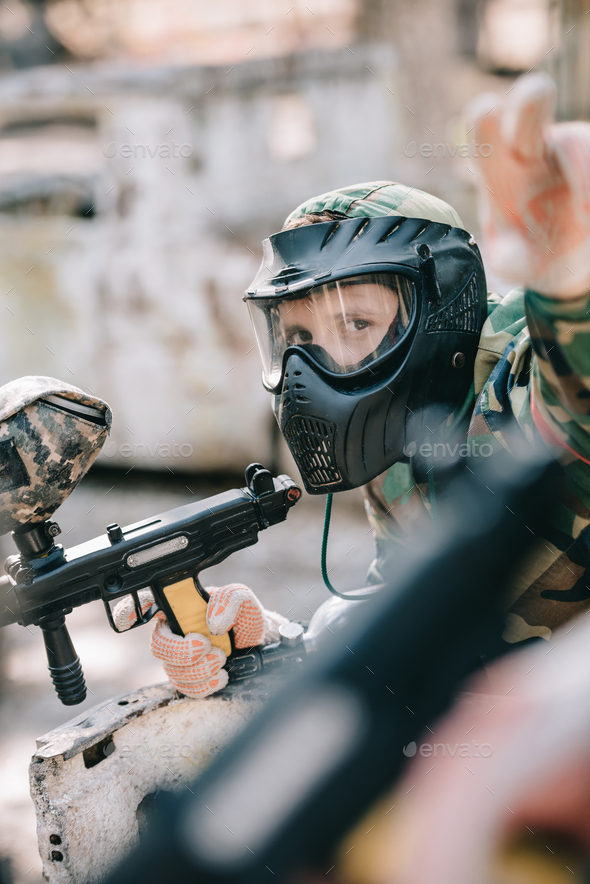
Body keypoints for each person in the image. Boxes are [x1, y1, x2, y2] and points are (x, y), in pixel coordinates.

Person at [135, 71, 590, 700]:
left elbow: (573, 402)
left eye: (356, 323)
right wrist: (274, 642)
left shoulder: (520, 381)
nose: (318, 366)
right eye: (299, 335)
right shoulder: (395, 428)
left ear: (441, 311)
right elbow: (414, 606)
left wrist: (570, 292)